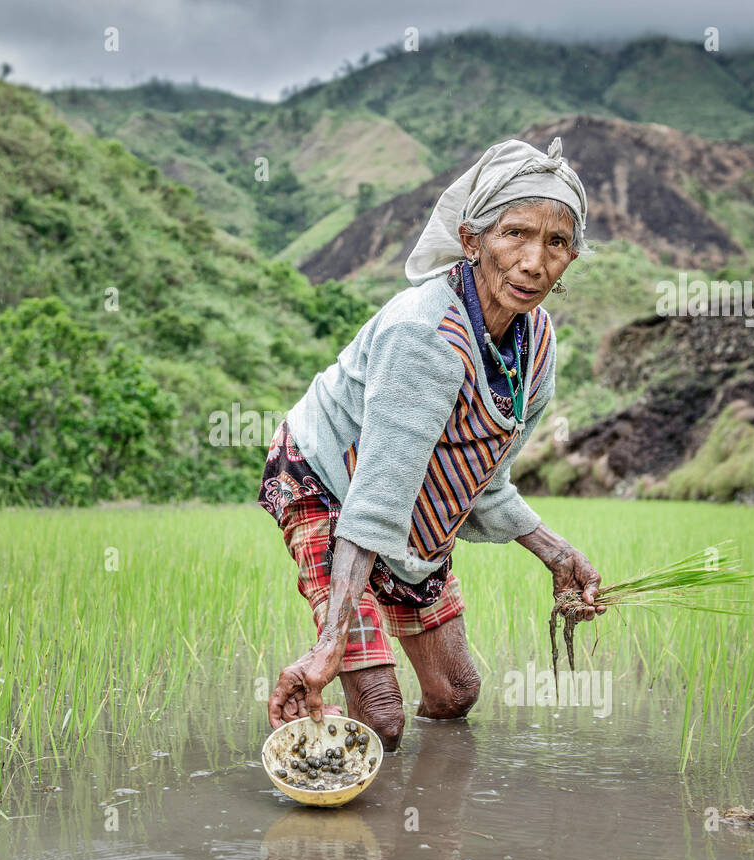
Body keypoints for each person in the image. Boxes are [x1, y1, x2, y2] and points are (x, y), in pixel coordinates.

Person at [260, 137, 606, 750]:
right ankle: (352, 823)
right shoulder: (424, 336)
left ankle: (427, 811)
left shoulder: (538, 346)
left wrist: (558, 555)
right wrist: (328, 646)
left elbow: (484, 483)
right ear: (472, 241)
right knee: (381, 717)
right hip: (328, 480)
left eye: (556, 243)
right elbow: (375, 501)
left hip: (408, 497)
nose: (533, 262)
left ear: (573, 257)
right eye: (515, 234)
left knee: (454, 694)